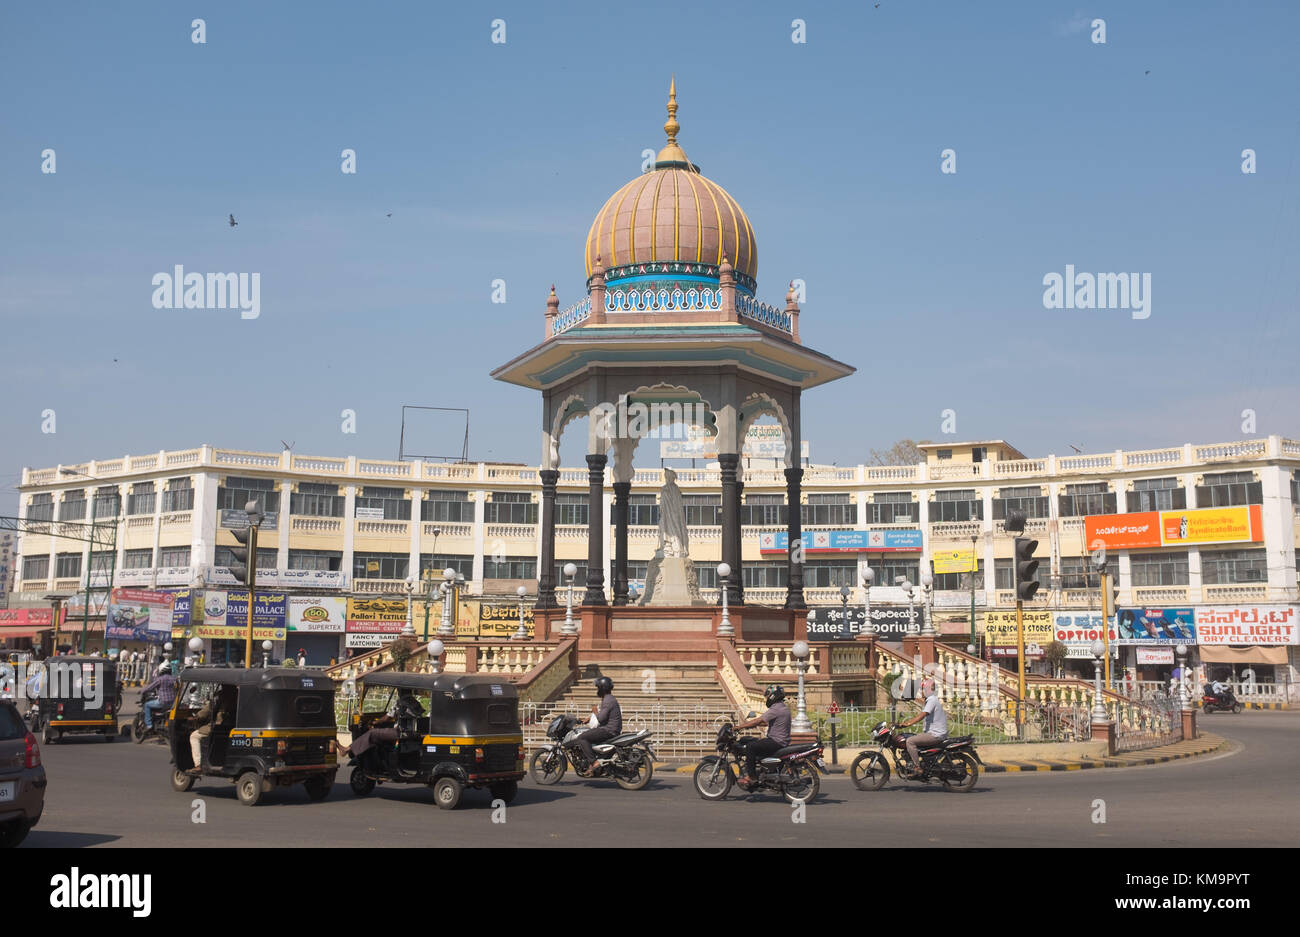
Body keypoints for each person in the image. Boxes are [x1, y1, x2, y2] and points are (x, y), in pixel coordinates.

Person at [735, 685, 791, 788]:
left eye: (767, 696)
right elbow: (766, 723)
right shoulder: (782, 707)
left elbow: (759, 720)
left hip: (776, 742)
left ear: (773, 696)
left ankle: (751, 777)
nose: (766, 698)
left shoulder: (775, 708)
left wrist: (739, 727)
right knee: (756, 742)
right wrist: (750, 725)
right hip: (781, 741)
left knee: (750, 747)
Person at [899, 678, 948, 777]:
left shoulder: (932, 700)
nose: (921, 691)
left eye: (922, 689)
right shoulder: (930, 700)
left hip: (935, 735)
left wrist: (908, 723)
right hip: (933, 733)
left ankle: (917, 767)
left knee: (910, 741)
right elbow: (913, 698)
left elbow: (922, 715)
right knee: (914, 738)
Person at [574, 676, 621, 774]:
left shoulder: (607, 700)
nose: (597, 690)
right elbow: (604, 715)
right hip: (611, 728)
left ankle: (594, 762)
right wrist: (588, 719)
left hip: (608, 730)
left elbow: (601, 718)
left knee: (582, 738)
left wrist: (595, 712)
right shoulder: (609, 698)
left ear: (602, 688)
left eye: (598, 688)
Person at [188, 688, 235, 774]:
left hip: (219, 725)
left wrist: (197, 716)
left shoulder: (222, 694)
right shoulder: (237, 693)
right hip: (231, 726)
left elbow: (208, 709)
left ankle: (198, 765)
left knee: (194, 736)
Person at [141, 664, 178, 730]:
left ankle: (149, 725)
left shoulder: (160, 679)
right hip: (173, 704)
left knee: (147, 705)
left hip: (163, 703)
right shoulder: (174, 679)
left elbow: (150, 687)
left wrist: (142, 691)